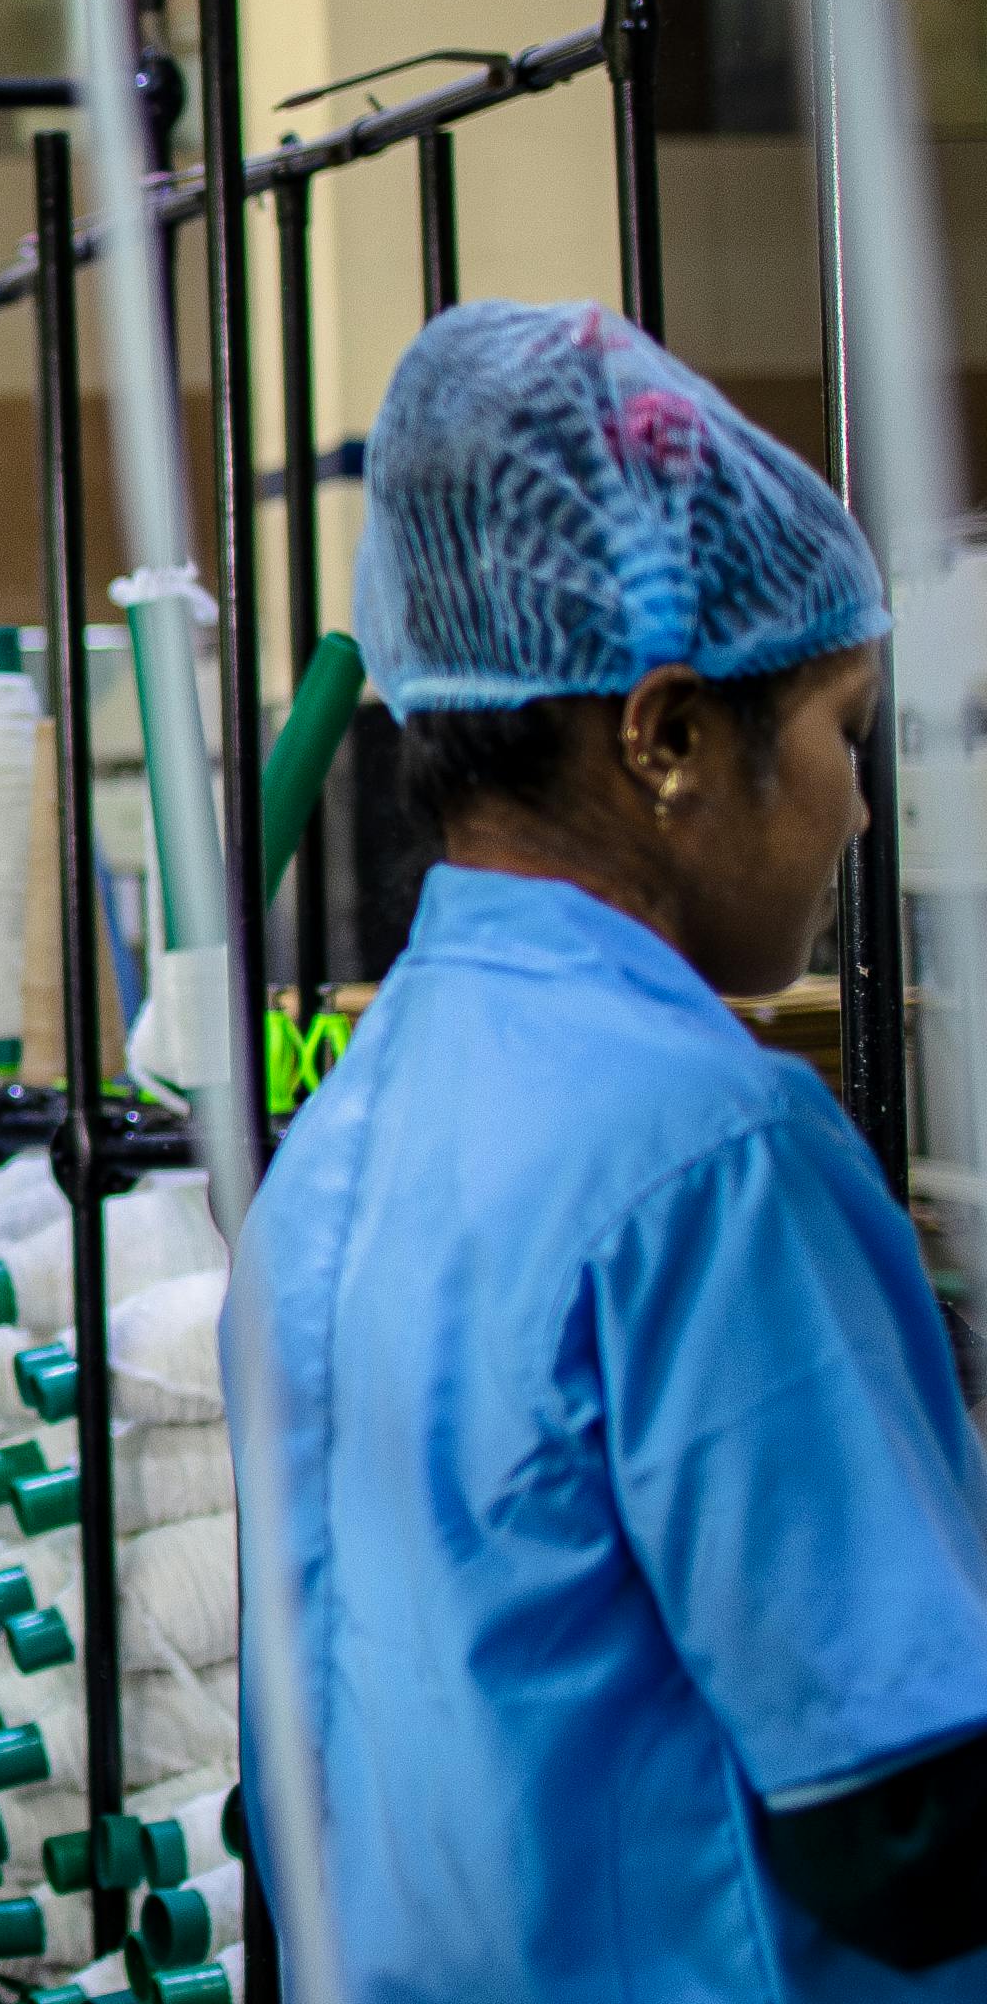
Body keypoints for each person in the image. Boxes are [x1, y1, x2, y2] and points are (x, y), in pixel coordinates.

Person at [229, 300, 987, 1999]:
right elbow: (901, 1821)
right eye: (837, 735)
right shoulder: (705, 1149)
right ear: (663, 736)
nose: (855, 811)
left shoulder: (349, 1131)